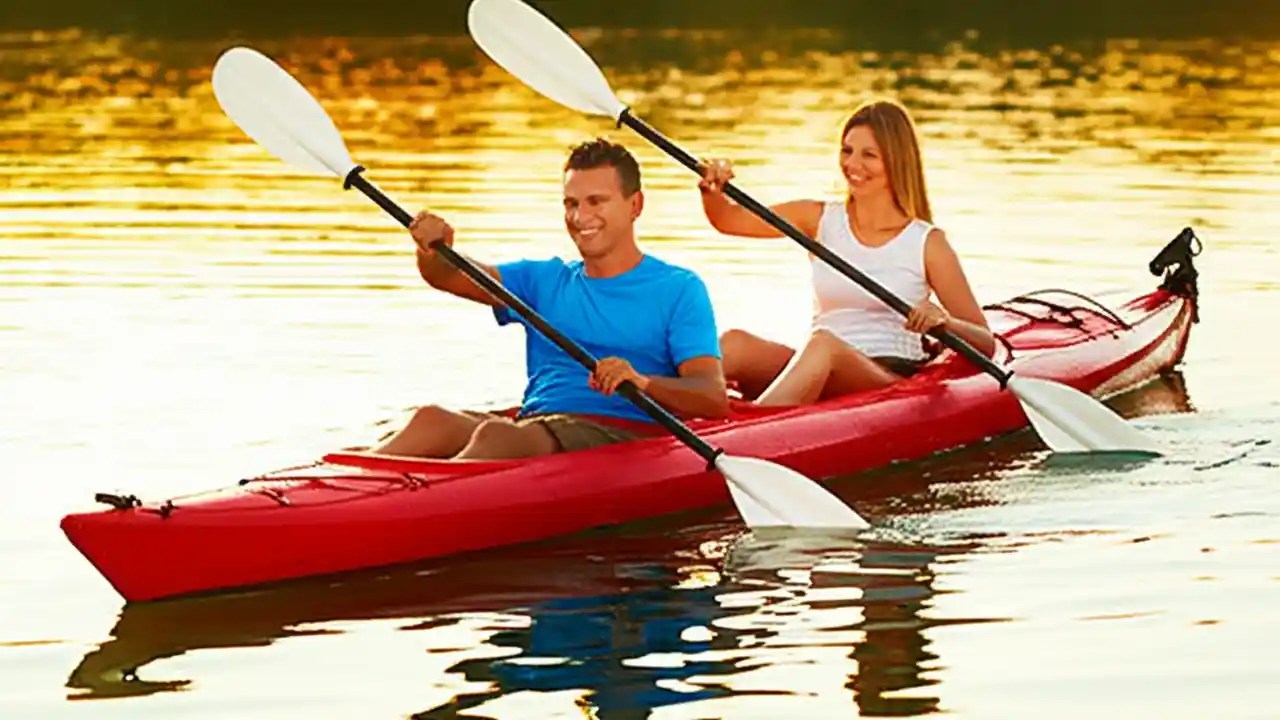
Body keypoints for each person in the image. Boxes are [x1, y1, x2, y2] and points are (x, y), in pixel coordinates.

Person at [373, 138, 729, 459]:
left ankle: (415, 513)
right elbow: (447, 275)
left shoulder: (678, 288)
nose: (579, 216)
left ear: (635, 205)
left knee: (497, 437)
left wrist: (641, 380)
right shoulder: (543, 279)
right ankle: (342, 490)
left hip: (622, 434)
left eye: (596, 201)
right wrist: (432, 249)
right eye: (571, 203)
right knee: (432, 421)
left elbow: (712, 397)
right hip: (537, 424)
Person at [697, 98, 996, 406]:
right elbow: (729, 220)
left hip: (885, 373)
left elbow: (985, 342)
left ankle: (747, 429)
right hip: (816, 364)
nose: (853, 164)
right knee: (736, 343)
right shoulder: (818, 218)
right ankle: (657, 409)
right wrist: (712, 188)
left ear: (896, 161)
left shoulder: (927, 243)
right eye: (847, 151)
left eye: (869, 155)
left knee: (824, 345)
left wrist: (943, 322)